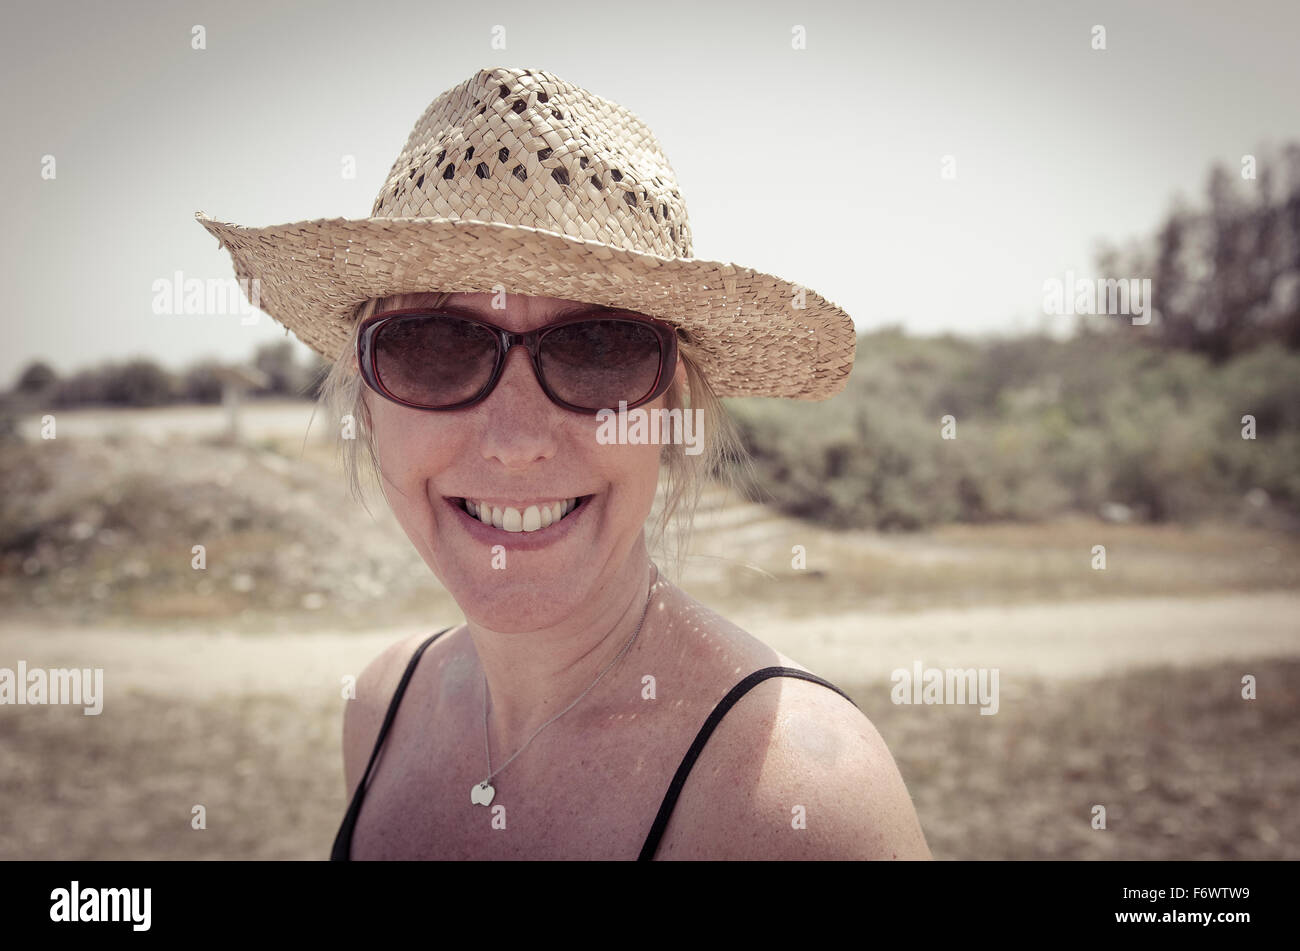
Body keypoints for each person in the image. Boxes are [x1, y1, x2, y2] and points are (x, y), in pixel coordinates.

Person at [197, 66, 931, 860]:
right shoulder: (380, 712)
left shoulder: (795, 803)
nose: (517, 439)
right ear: (366, 400)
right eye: (434, 347)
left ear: (670, 409)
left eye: (597, 349)